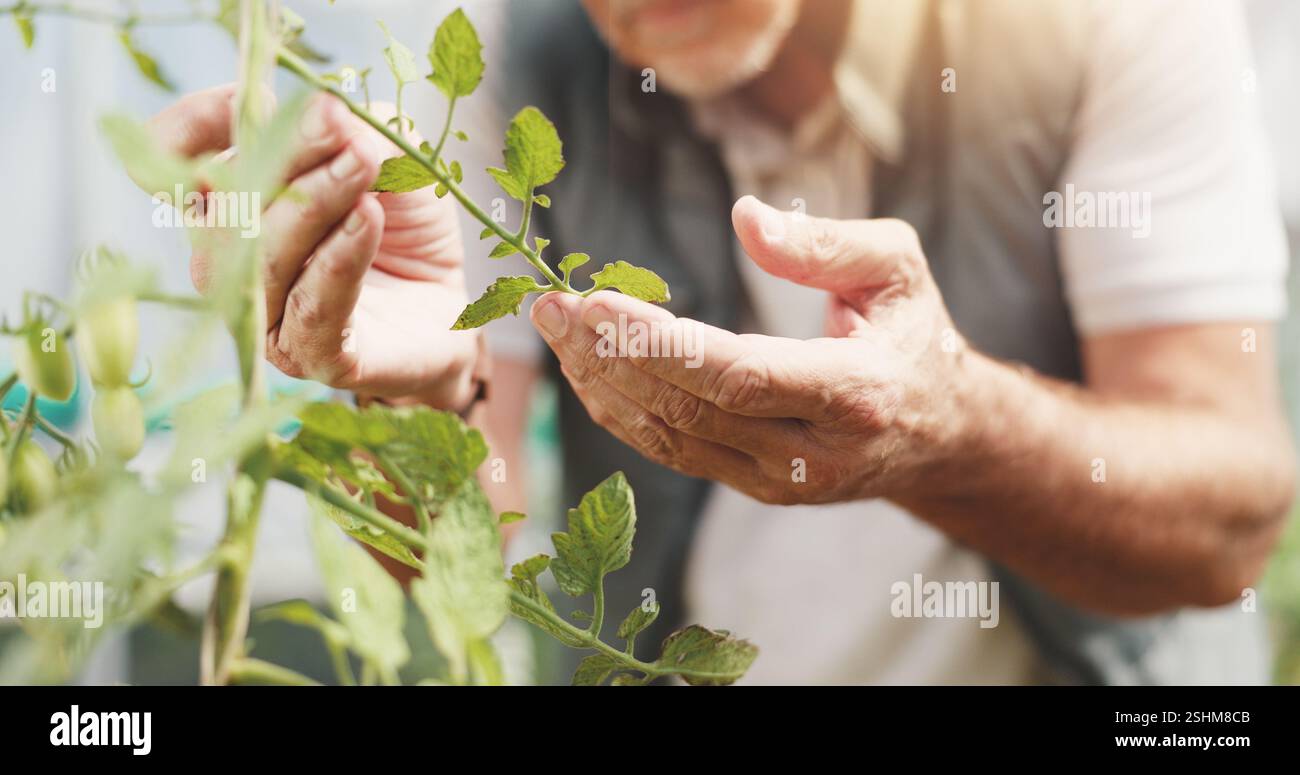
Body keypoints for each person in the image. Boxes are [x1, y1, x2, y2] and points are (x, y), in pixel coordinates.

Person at [147, 0, 1294, 684]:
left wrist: (953, 435)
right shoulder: (525, 56)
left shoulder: (1101, 27)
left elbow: (1230, 515)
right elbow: (453, 556)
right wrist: (411, 395)